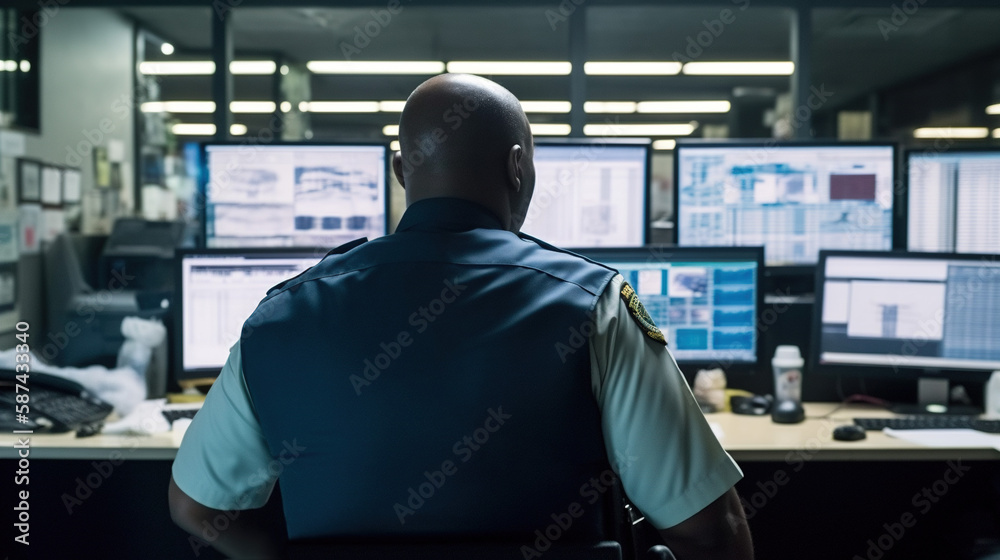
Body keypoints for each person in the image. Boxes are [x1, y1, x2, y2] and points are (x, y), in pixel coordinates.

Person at [168, 73, 753, 560]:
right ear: (518, 166)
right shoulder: (593, 303)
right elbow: (706, 527)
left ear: (401, 170)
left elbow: (197, 507)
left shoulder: (278, 317)